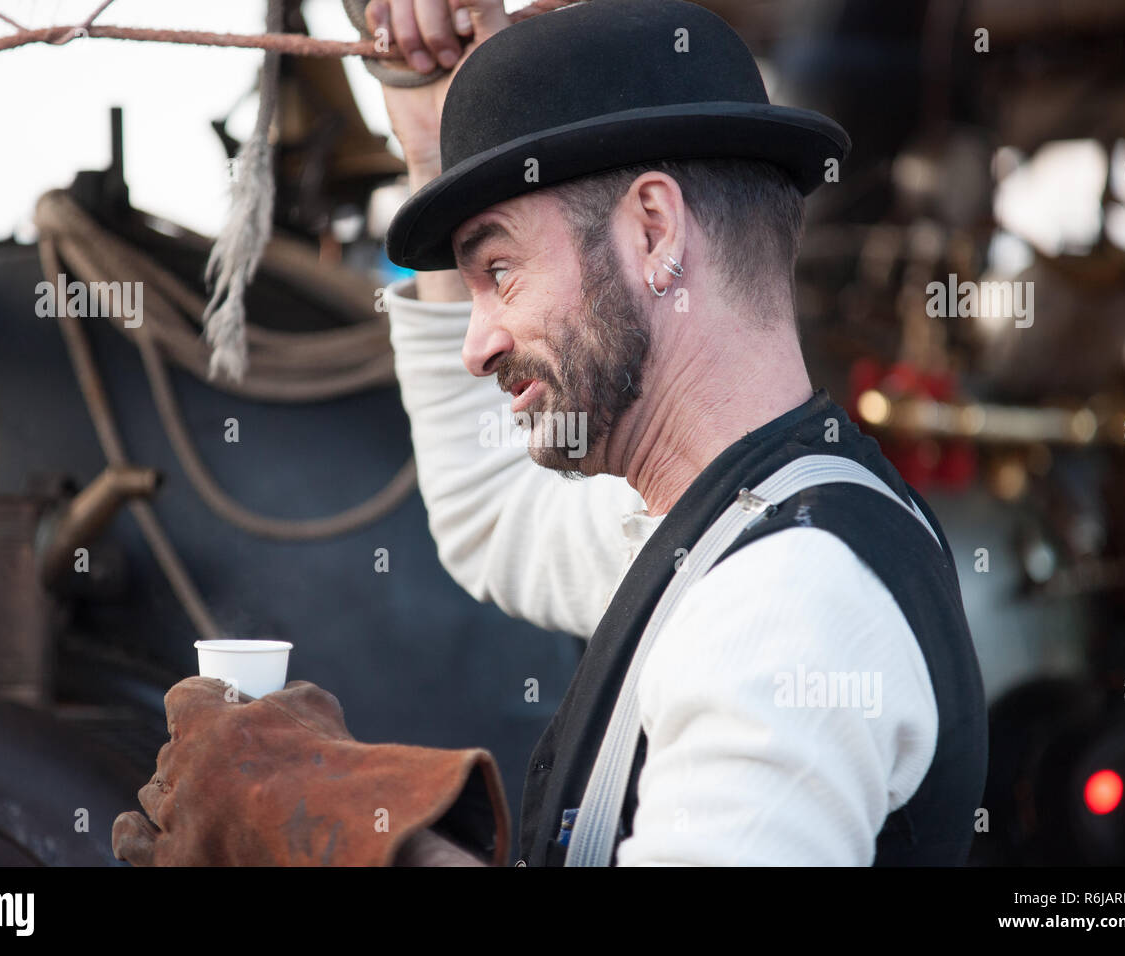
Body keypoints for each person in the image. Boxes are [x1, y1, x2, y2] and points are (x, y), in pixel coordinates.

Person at [113, 0, 987, 867]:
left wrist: (342, 836)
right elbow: (492, 512)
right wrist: (433, 148)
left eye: (499, 270)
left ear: (655, 232)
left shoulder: (789, 601)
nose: (475, 342)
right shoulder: (731, 529)